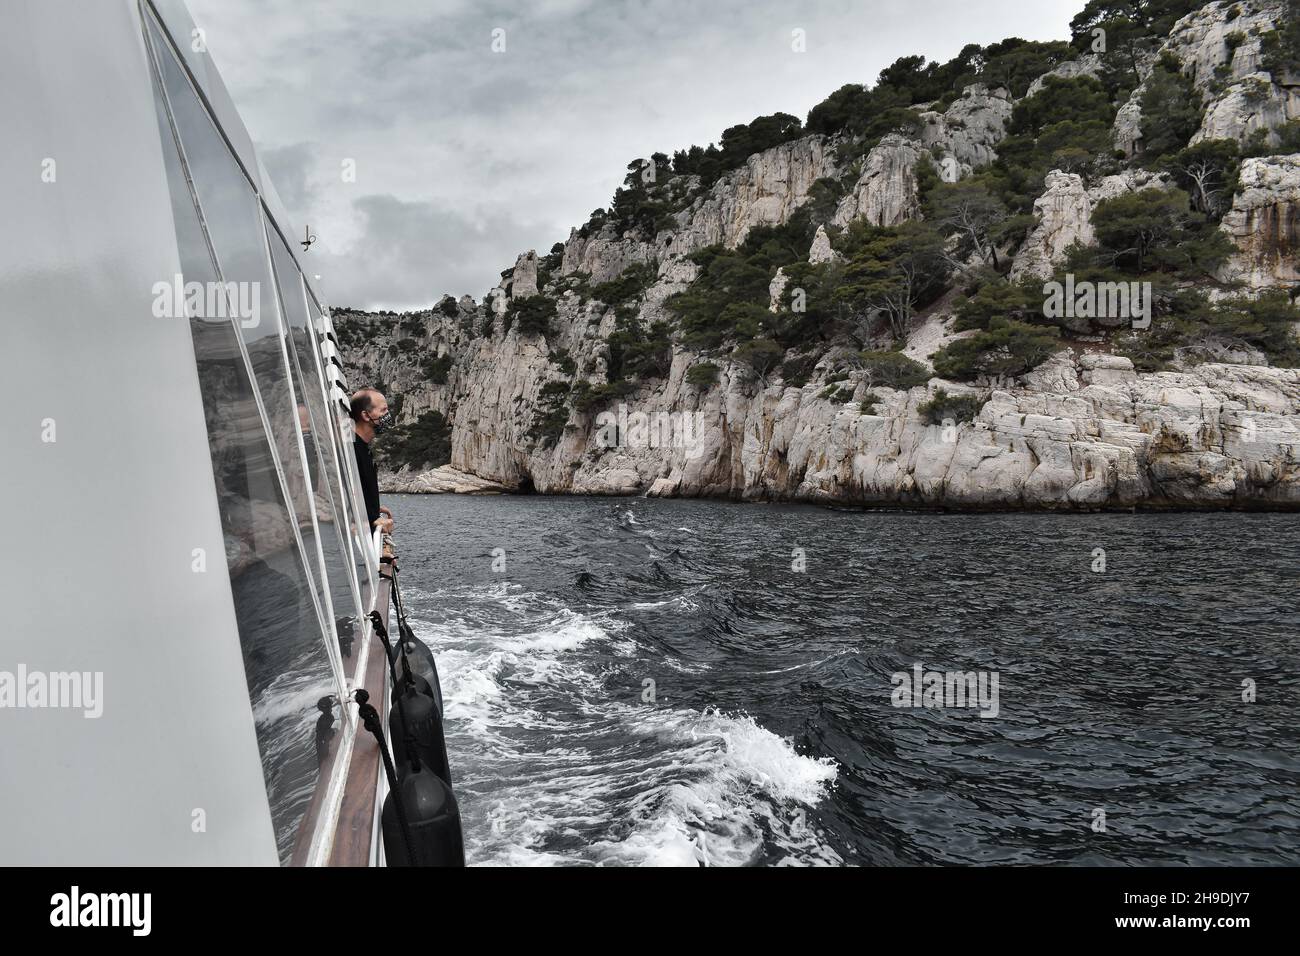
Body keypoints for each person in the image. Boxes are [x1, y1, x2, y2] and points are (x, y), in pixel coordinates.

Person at [350, 388, 394, 537]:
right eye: (383, 410)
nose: (387, 416)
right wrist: (372, 519)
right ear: (366, 415)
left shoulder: (363, 448)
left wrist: (373, 509)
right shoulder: (353, 450)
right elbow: (346, 501)